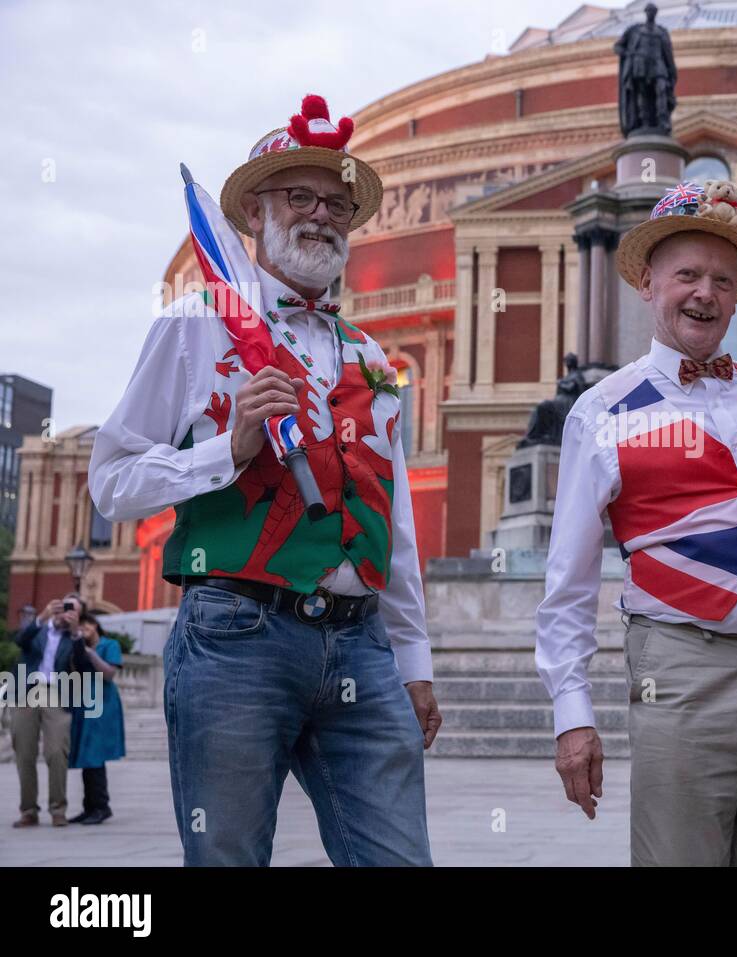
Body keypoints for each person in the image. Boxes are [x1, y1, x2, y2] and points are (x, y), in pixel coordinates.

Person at [89, 94, 439, 866]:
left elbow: (397, 523)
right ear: (254, 210)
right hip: (235, 636)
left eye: (338, 203)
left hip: (361, 645)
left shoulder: (374, 359)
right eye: (300, 196)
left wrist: (413, 662)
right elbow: (110, 481)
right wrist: (229, 449)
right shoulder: (194, 323)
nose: (321, 215)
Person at [536, 179, 737, 866]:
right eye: (687, 275)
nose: (705, 293)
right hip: (680, 667)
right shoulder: (604, 409)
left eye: (723, 279)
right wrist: (572, 714)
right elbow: (568, 580)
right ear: (649, 283)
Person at [10, 593, 81, 827]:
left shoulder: (75, 638)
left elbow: (82, 665)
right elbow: (19, 639)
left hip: (57, 694)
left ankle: (57, 809)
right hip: (26, 691)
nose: (67, 613)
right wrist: (42, 616)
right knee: (24, 753)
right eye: (64, 607)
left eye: (74, 610)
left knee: (56, 751)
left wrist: (75, 633)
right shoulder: (37, 629)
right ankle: (28, 810)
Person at [66, 615, 126, 825]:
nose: (85, 629)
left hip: (103, 703)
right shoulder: (78, 646)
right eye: (81, 627)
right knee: (86, 756)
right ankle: (89, 806)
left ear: (96, 626)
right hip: (83, 702)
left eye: (88, 625)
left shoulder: (110, 645)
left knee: (94, 754)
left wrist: (91, 653)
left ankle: (101, 806)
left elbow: (109, 673)